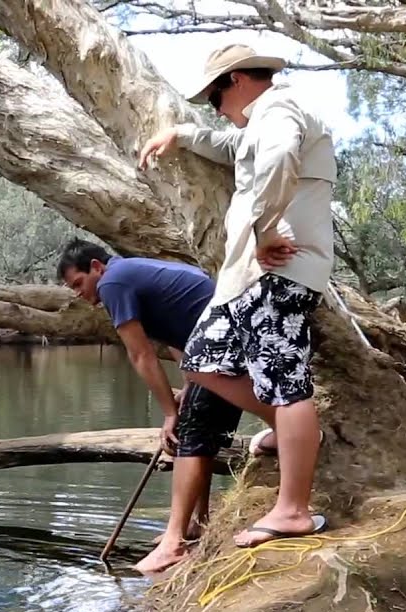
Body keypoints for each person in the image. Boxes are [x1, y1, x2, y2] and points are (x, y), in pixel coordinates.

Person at [136, 43, 337, 549]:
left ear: (238, 81)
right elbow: (232, 149)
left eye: (214, 98)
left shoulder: (280, 108)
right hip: (249, 278)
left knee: (286, 381)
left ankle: (292, 509)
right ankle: (292, 434)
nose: (217, 110)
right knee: (201, 361)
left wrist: (266, 229)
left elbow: (279, 157)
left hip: (281, 268)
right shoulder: (260, 120)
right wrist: (180, 135)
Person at [58, 238, 242, 573]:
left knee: (191, 437)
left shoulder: (114, 282)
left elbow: (141, 355)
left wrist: (170, 414)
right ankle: (196, 523)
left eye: (79, 284)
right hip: (225, 338)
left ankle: (174, 544)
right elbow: (177, 333)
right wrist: (189, 383)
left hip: (225, 341)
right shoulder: (132, 274)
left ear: (96, 267)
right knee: (199, 431)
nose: (79, 294)